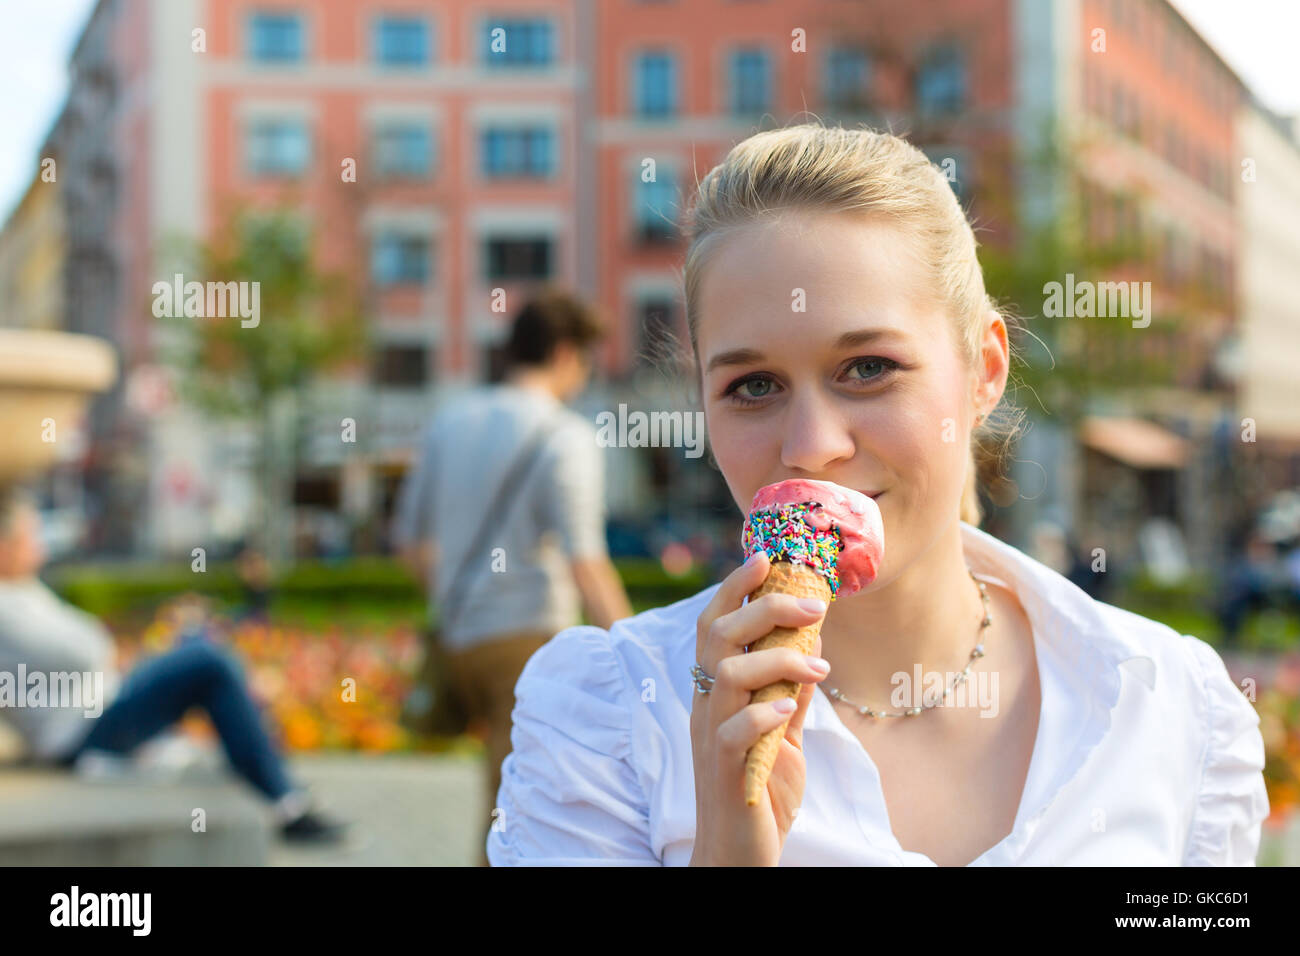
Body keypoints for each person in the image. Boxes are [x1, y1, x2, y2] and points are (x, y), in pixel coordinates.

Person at [488, 123, 1268, 866]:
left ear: (985, 370)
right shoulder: (605, 719)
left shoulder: (1171, 709)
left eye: (868, 368)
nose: (810, 445)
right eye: (753, 385)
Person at [392, 286, 633, 866]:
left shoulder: (451, 421)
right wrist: (636, 650)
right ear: (567, 353)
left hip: (458, 637)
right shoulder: (564, 435)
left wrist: (459, 601)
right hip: (529, 640)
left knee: (502, 793)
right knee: (521, 811)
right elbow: (586, 562)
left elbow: (407, 542)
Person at [0, 486, 347, 844]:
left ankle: (271, 772)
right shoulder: (5, 604)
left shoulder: (23, 591)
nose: (40, 545)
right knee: (209, 664)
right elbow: (86, 650)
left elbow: (86, 650)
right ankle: (287, 803)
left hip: (104, 706)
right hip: (84, 734)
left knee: (199, 640)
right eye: (31, 535)